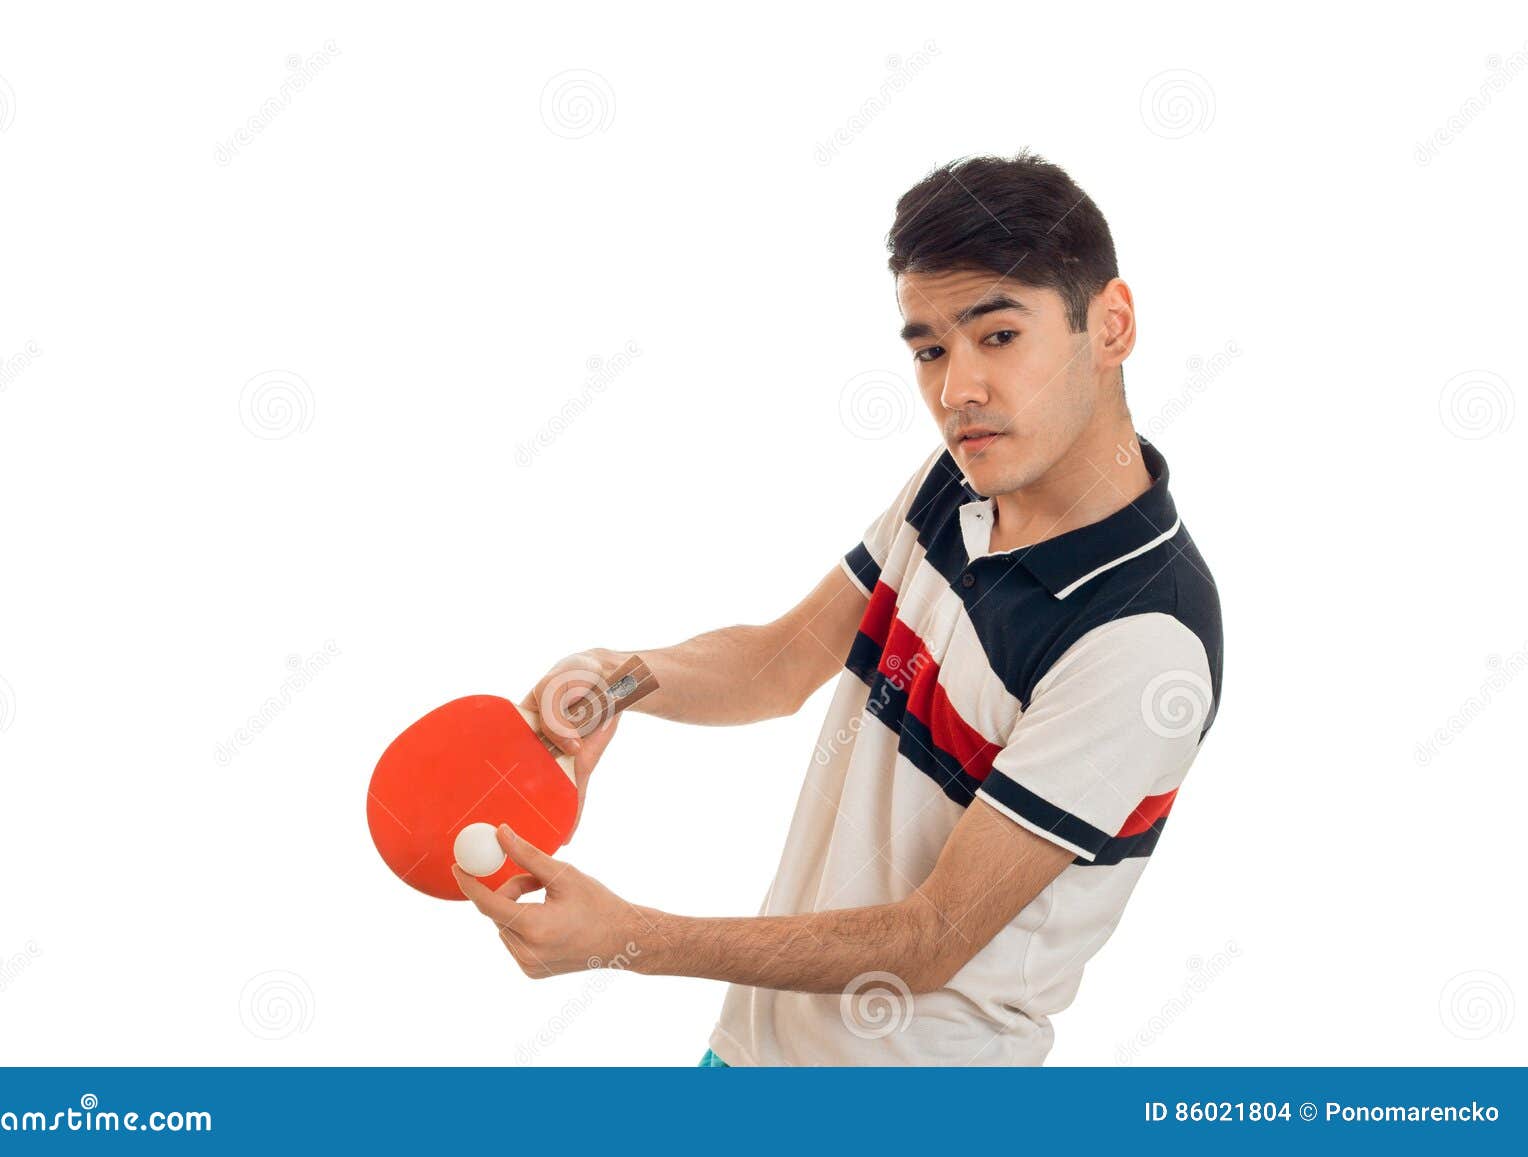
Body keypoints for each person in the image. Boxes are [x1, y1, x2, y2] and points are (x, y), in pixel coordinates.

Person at [453, 149, 1224, 1066]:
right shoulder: (959, 482)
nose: (956, 390)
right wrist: (615, 680)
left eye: (998, 336)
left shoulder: (1143, 638)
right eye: (931, 349)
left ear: (1111, 325)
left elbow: (928, 940)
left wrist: (631, 937)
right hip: (749, 1058)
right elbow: (779, 664)